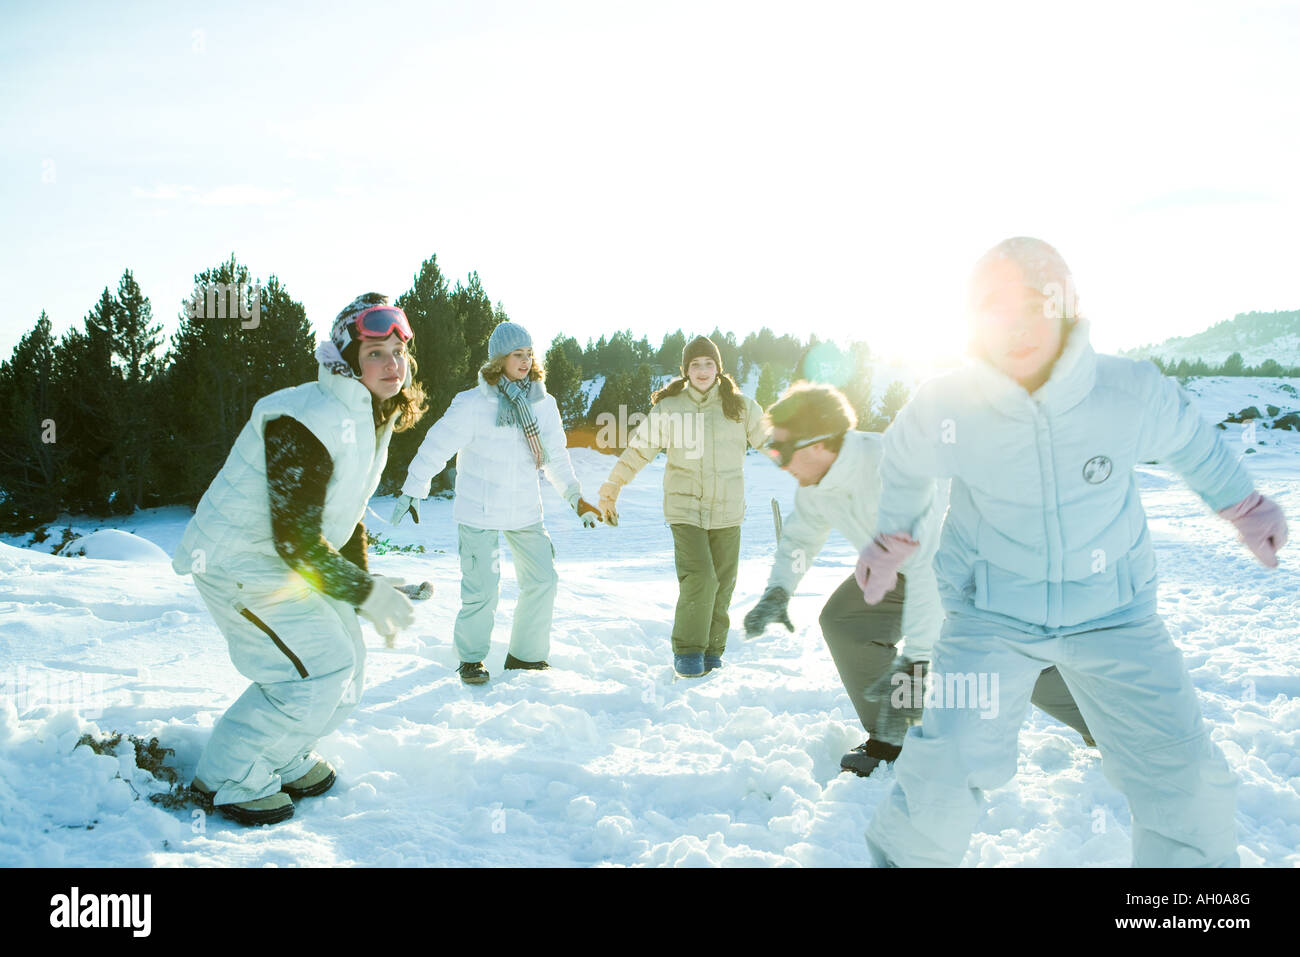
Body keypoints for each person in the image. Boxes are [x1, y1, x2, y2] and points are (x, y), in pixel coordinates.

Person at [857, 237, 1288, 867]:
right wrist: (893, 532)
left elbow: (1191, 440)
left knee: (1185, 777)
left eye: (1035, 305)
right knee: (945, 766)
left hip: (1116, 614)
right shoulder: (949, 404)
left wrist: (1242, 506)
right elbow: (905, 458)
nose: (1018, 326)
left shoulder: (1125, 392)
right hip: (991, 618)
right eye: (997, 309)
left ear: (1068, 308)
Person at [744, 381, 1093, 776]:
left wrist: (916, 661)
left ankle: (1111, 726)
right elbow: (802, 533)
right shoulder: (819, 480)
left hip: (975, 566)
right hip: (903, 568)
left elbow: (931, 572)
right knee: (845, 622)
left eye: (781, 451)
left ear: (818, 444)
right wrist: (779, 589)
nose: (777, 461)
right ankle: (894, 736)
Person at [172, 293, 427, 825]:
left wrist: (362, 582)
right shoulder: (306, 416)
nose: (391, 363)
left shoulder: (368, 417)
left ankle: (280, 755)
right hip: (238, 563)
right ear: (347, 358)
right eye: (375, 352)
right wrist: (365, 593)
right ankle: (227, 774)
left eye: (398, 351)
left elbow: (345, 516)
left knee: (348, 665)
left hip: (286, 563)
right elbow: (295, 541)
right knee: (314, 671)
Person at [391, 321, 601, 685]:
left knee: (543, 579)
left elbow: (555, 457)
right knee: (482, 590)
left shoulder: (543, 404)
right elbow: (437, 444)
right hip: (479, 511)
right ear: (498, 359)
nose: (525, 361)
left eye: (529, 353)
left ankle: (527, 657)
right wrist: (414, 487)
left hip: (524, 510)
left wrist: (575, 498)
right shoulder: (473, 404)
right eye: (517, 355)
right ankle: (471, 659)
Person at [596, 335, 767, 677]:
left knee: (723, 582)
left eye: (708, 363)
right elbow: (639, 450)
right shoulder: (670, 409)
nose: (702, 370)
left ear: (718, 368)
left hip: (728, 509)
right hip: (684, 507)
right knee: (700, 577)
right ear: (685, 370)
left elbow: (775, 443)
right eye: (695, 364)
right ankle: (689, 651)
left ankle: (713, 652)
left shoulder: (741, 407)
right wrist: (612, 487)